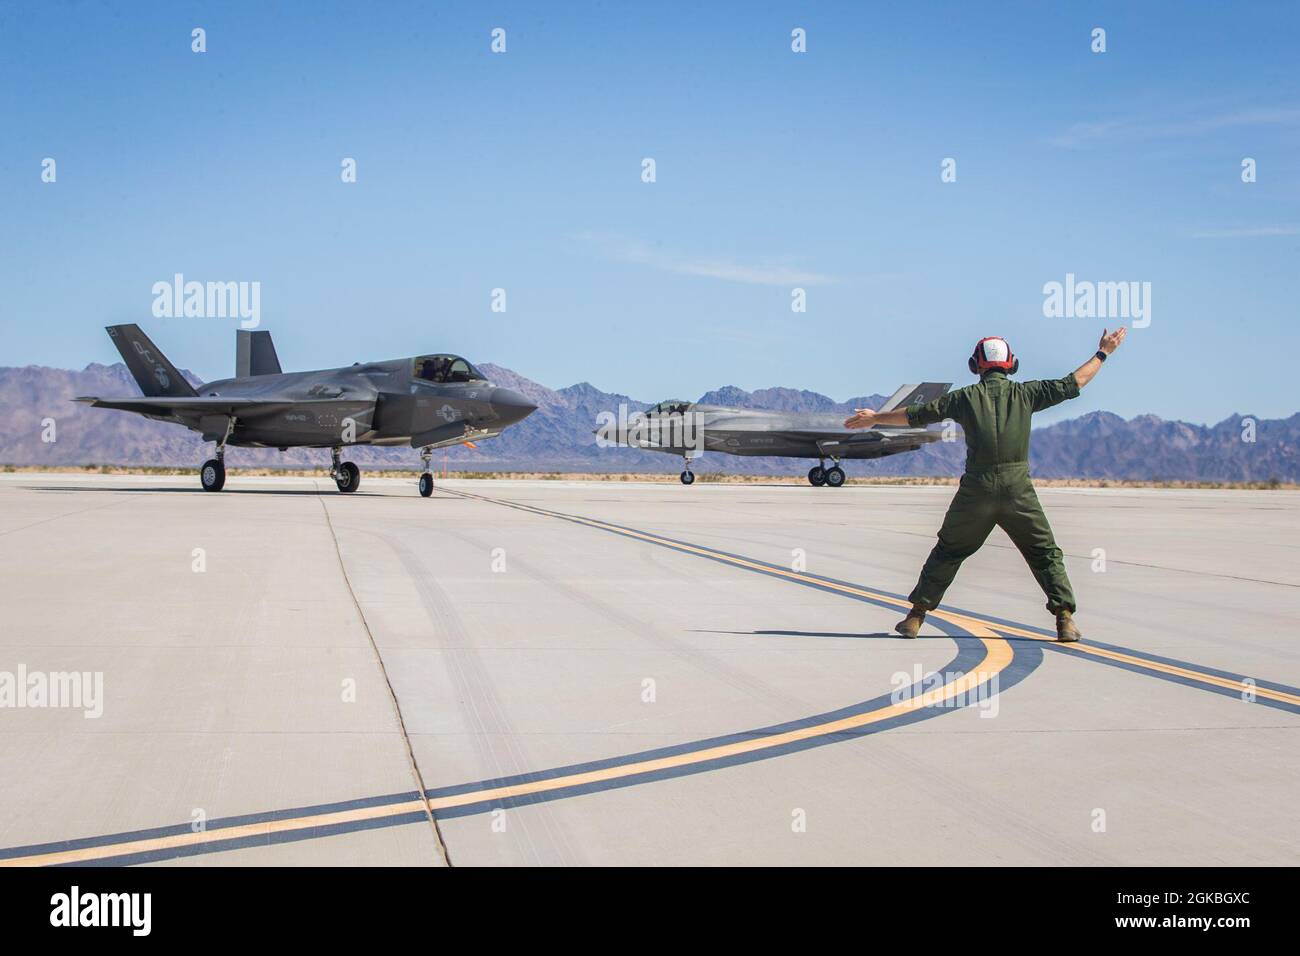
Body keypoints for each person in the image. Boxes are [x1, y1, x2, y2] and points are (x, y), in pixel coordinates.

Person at [844, 329, 1127, 642]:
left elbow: (916, 415)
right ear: (1012, 364)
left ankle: (916, 617)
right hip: (1018, 490)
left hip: (976, 490)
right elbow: (1074, 382)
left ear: (973, 366)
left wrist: (875, 418)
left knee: (949, 551)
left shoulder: (963, 398)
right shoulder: (1027, 394)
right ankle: (1064, 619)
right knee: (1044, 554)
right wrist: (1103, 353)